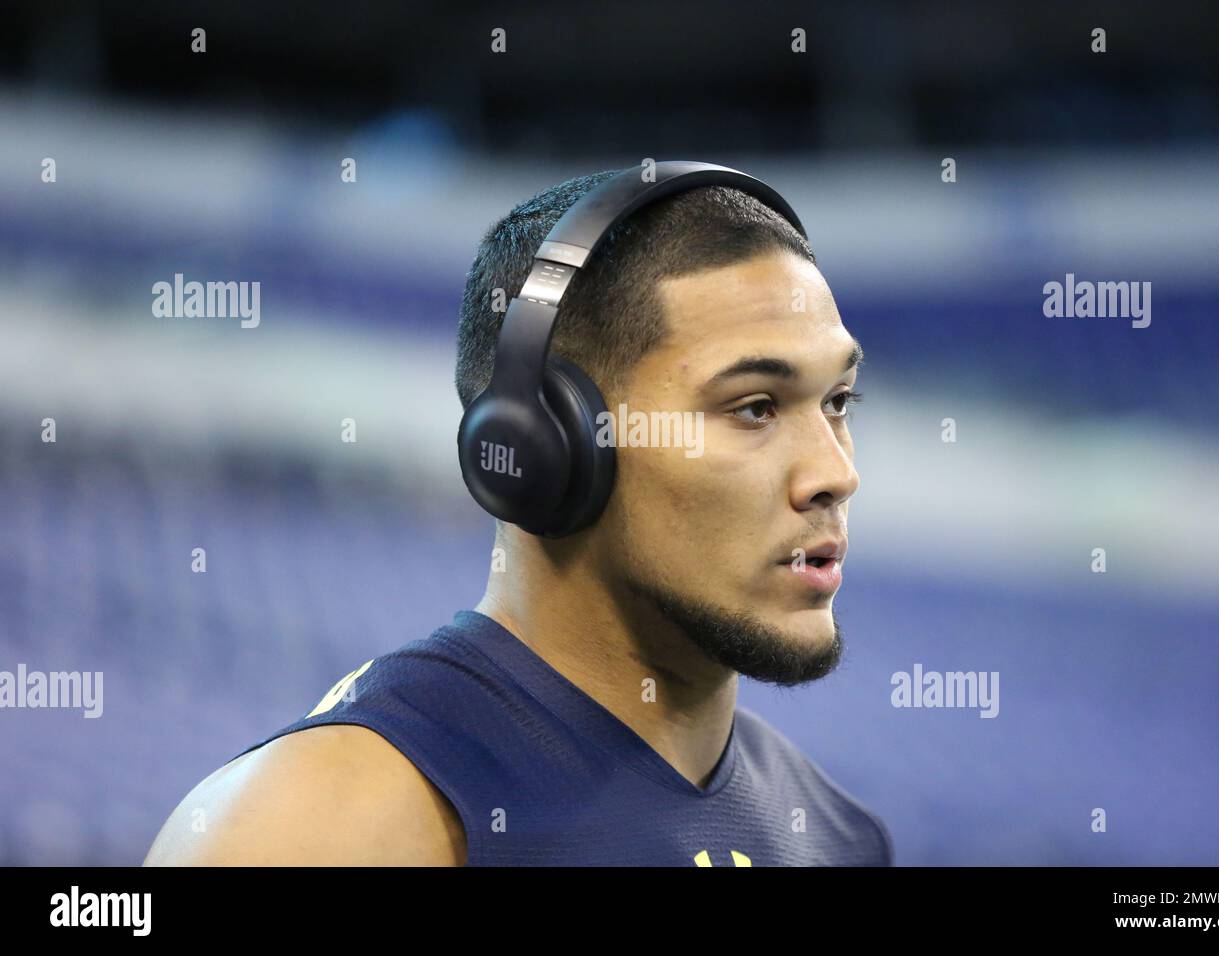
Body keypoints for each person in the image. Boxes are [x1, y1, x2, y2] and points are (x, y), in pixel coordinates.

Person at [144, 165, 891, 866]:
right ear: (546, 447)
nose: (837, 474)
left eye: (837, 402)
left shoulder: (838, 836)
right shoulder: (330, 825)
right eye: (754, 408)